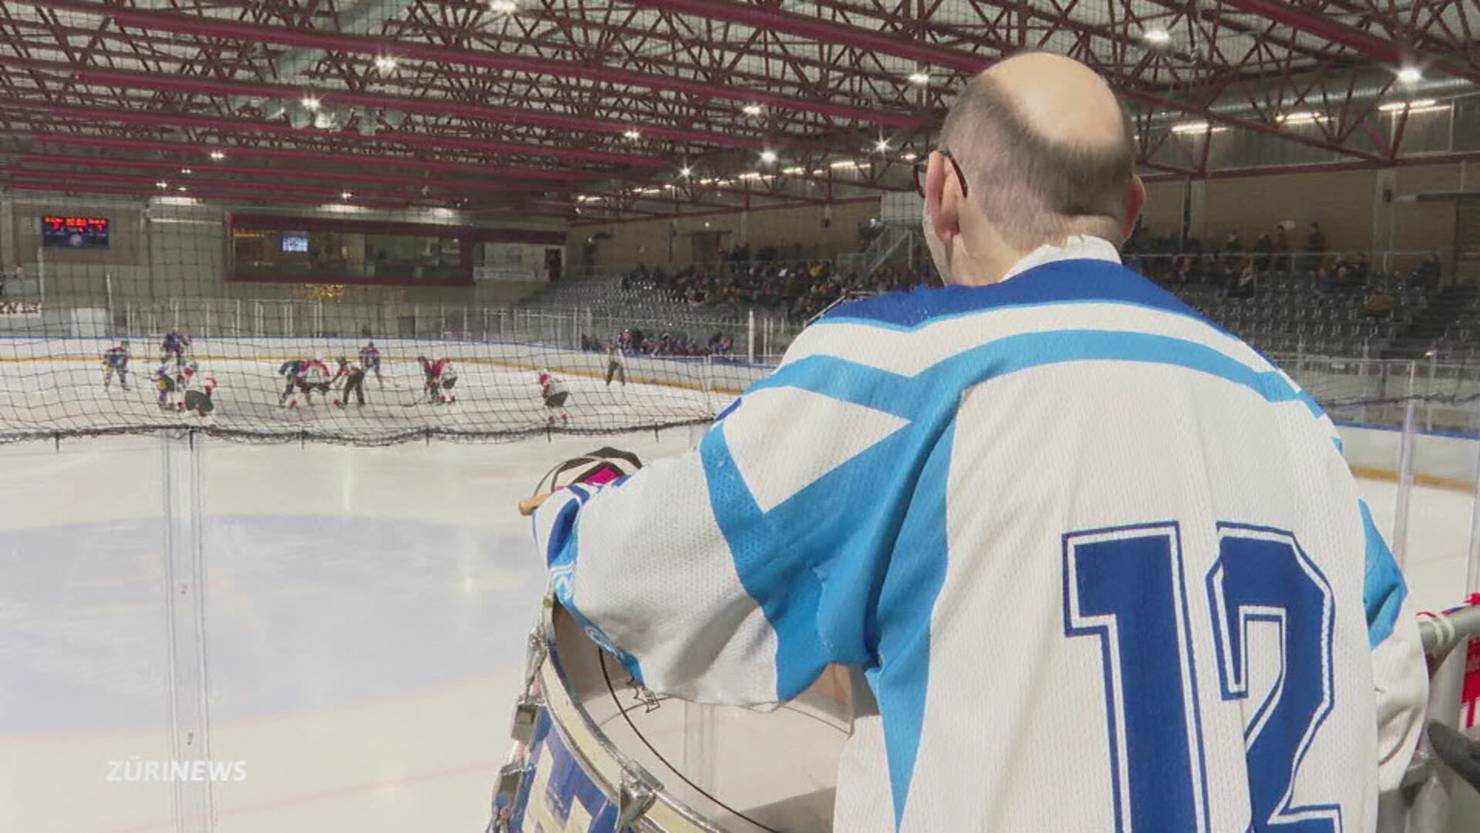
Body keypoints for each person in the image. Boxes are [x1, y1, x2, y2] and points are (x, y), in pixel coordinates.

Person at [519, 52, 1427, 833]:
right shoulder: (1294, 417)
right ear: (1135, 207)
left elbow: (638, 577)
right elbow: (1387, 706)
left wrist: (571, 502)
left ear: (942, 190)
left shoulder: (904, 370)